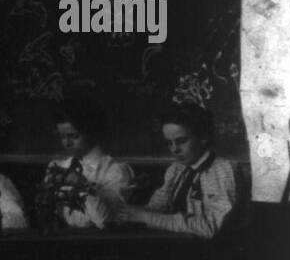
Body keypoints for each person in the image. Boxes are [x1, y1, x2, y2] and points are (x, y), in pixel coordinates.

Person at [118, 105, 238, 238]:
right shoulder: (176, 169)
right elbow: (157, 208)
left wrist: (147, 217)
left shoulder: (222, 170)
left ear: (203, 137)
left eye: (181, 141)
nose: (174, 149)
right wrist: (132, 208)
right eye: (169, 143)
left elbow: (212, 226)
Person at [46, 99, 134, 229]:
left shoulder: (115, 171)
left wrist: (83, 185)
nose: (66, 143)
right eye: (62, 137)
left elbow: (106, 221)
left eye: (73, 136)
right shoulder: (58, 166)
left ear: (91, 132)